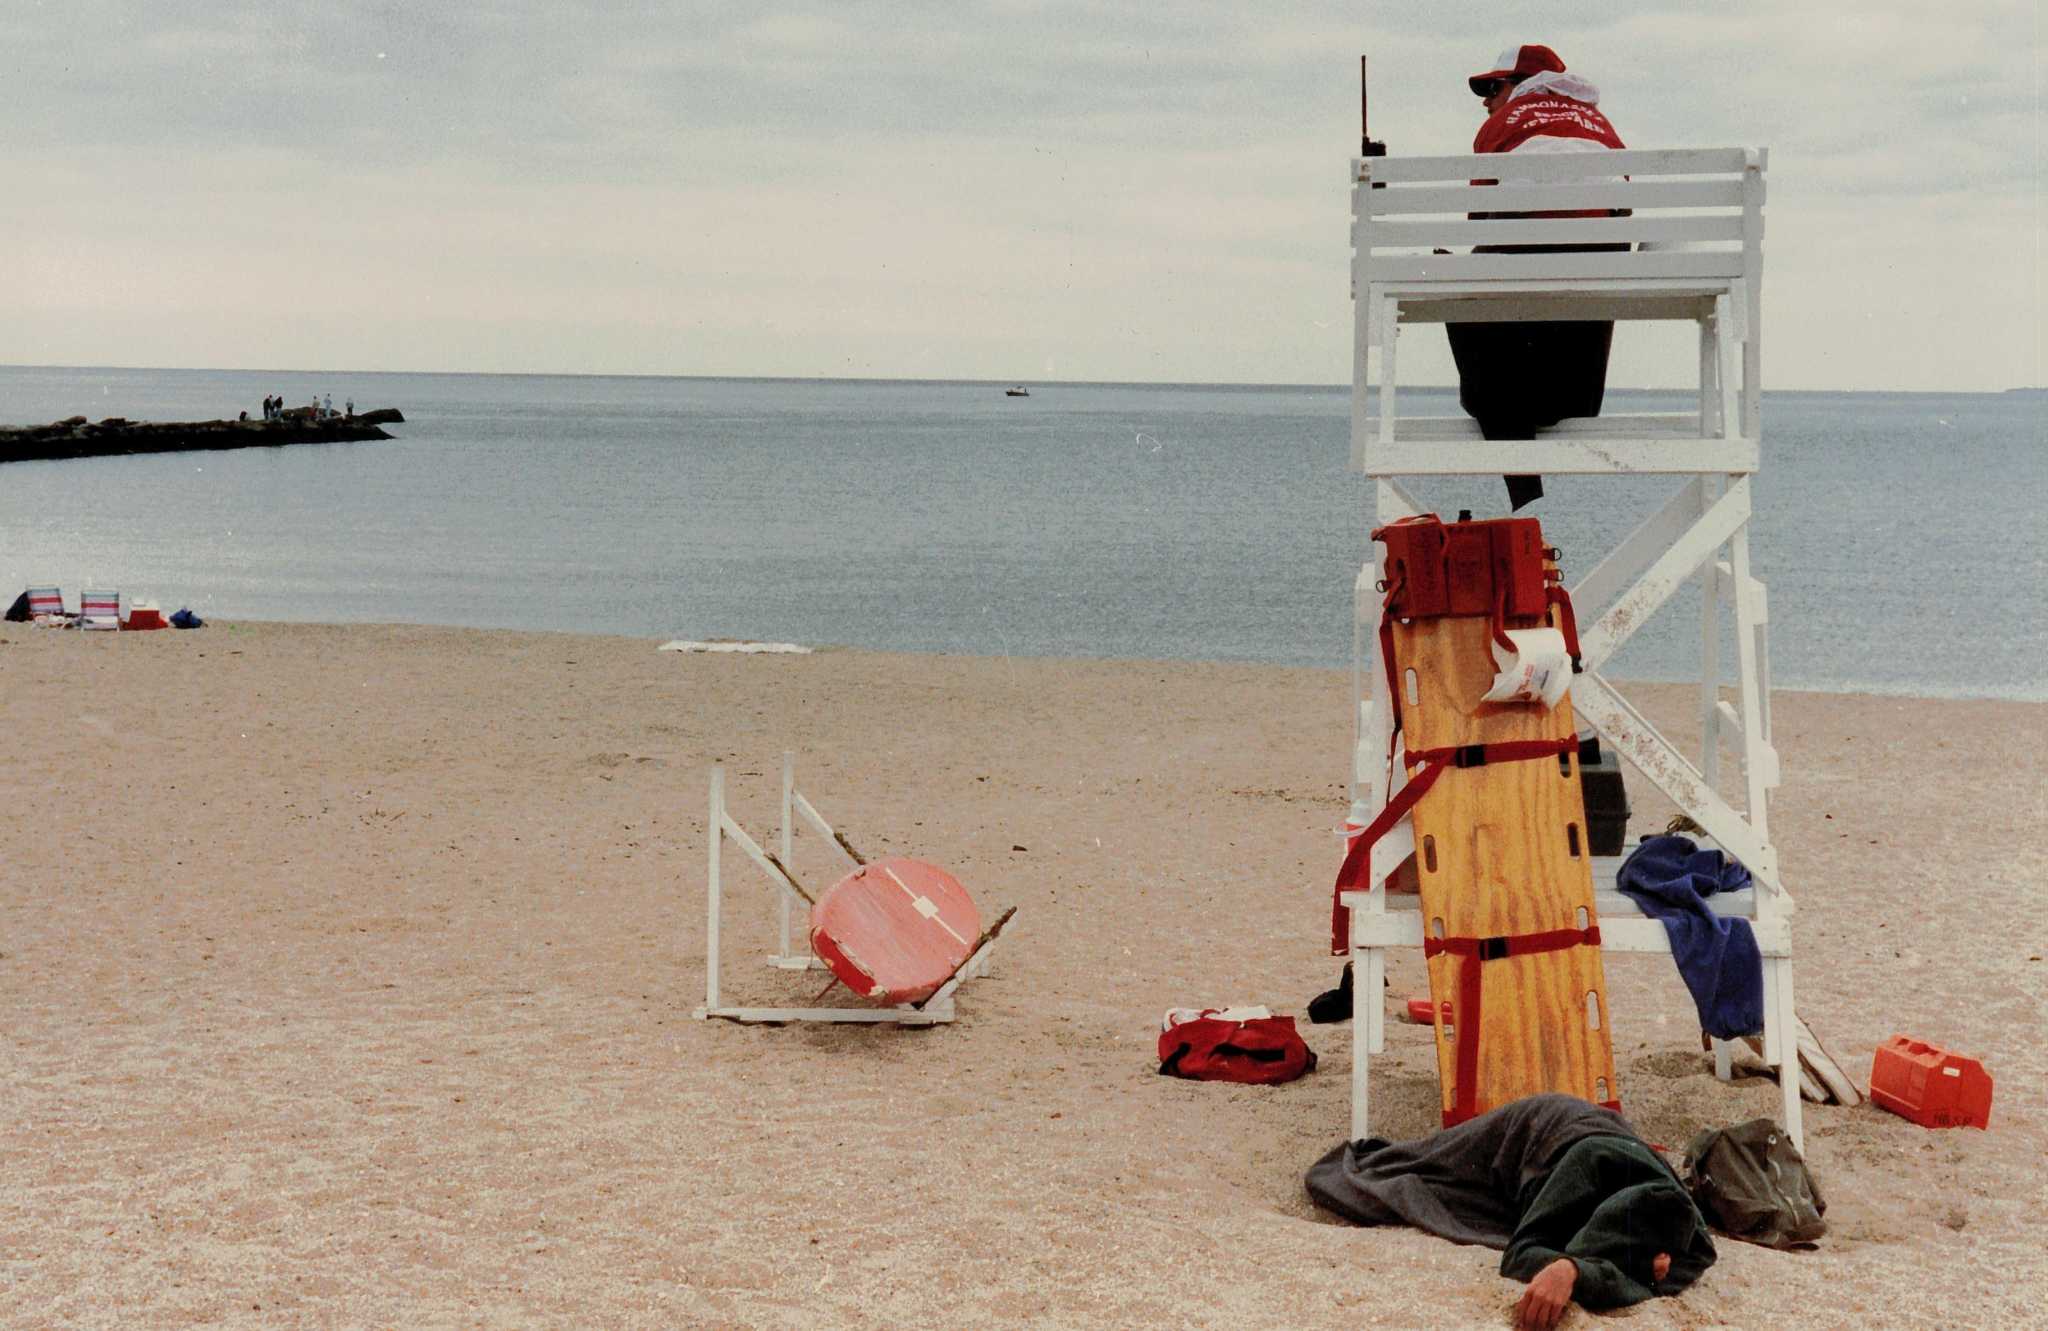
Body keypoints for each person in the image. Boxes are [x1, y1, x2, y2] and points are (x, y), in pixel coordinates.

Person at [1306, 1094, 1715, 1331]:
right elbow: (1521, 1253)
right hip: (1536, 1131)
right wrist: (1568, 1268)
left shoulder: (1682, 1220)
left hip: (1609, 1137)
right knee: (1409, 1168)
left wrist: (1580, 1270)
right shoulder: (1584, 1170)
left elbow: (1665, 1275)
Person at [1449, 44, 1629, 509]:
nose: (1486, 100)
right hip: (1593, 288)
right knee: (1591, 269)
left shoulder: (1500, 125)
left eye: (1493, 87)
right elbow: (1623, 214)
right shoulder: (1604, 127)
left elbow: (1479, 217)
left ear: (1522, 85)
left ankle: (1522, 481)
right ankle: (1564, 399)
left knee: (1457, 272)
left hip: (1522, 266)